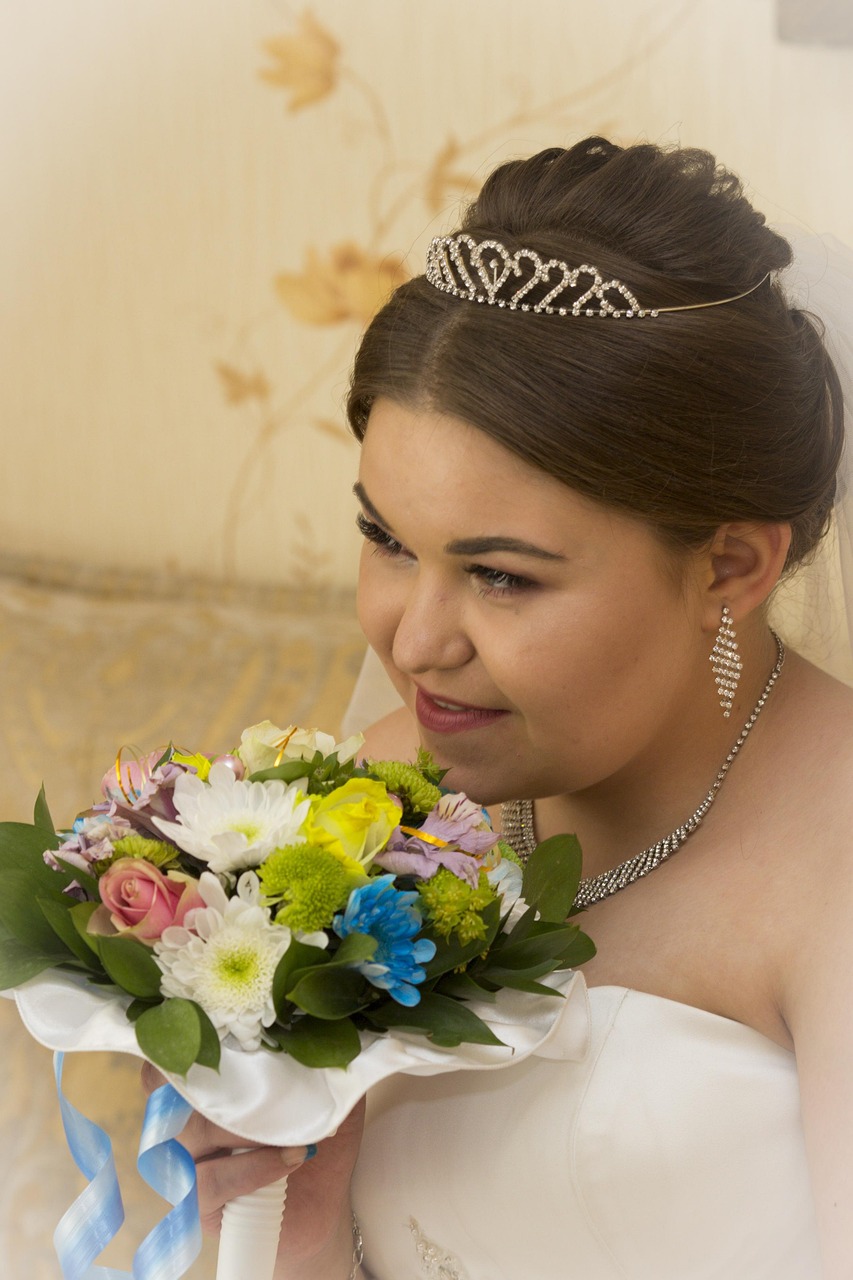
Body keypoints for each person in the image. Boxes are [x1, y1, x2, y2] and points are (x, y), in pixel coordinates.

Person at [146, 138, 853, 1278]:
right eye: (386, 538)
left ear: (730, 563)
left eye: (502, 575)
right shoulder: (373, 804)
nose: (413, 642)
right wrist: (301, 1218)